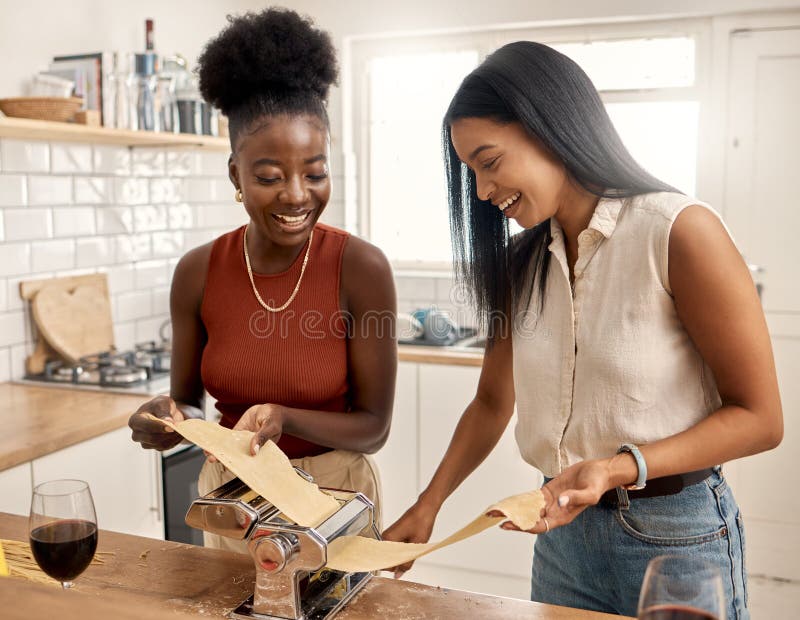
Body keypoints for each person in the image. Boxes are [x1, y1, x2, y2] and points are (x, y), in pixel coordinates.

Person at [382, 41, 781, 620]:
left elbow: (761, 420)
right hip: (563, 543)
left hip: (675, 543)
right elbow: (493, 402)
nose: (482, 192)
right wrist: (428, 505)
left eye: (489, 162)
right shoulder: (522, 264)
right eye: (471, 171)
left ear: (549, 128)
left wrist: (616, 468)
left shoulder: (677, 233)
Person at [128, 8, 396, 551]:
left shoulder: (361, 268)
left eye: (315, 173)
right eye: (270, 177)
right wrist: (165, 419)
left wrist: (283, 418)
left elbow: (374, 426)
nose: (297, 194)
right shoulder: (198, 272)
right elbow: (189, 402)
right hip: (230, 502)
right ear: (236, 174)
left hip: (334, 502)